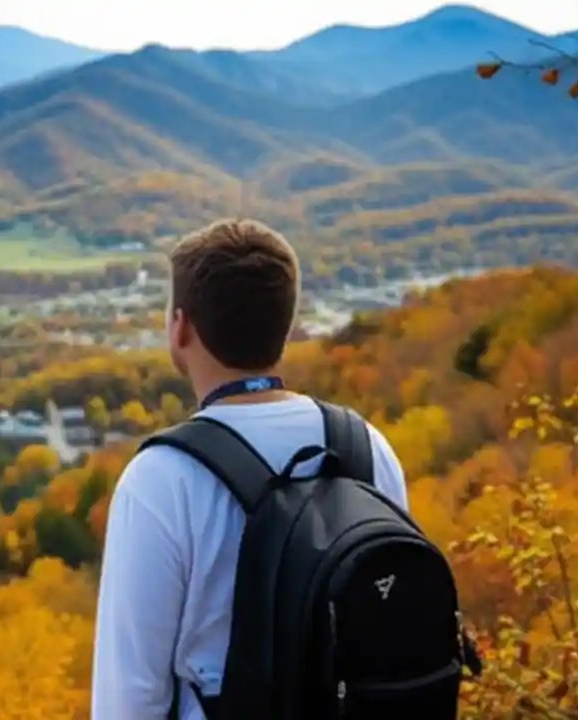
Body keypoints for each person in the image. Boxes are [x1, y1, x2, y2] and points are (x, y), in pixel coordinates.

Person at [91, 218, 410, 719]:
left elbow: (128, 698)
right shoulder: (366, 448)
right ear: (284, 324)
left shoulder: (162, 478)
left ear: (181, 327)